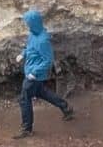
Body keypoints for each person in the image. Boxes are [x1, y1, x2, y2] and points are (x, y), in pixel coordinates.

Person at [13, 10, 74, 139]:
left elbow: (48, 60)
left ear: (34, 23)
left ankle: (26, 128)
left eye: (28, 23)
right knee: (42, 93)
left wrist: (35, 73)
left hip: (34, 75)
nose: (27, 25)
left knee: (24, 99)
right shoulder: (33, 34)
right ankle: (66, 107)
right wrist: (22, 54)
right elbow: (29, 47)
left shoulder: (43, 41)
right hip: (31, 72)